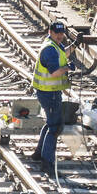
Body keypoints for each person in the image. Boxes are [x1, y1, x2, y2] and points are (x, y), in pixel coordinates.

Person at [31, 20, 72, 171]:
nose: (60, 36)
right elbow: (54, 72)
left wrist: (75, 45)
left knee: (50, 123)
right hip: (49, 93)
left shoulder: (53, 44)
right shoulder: (49, 49)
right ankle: (47, 162)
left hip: (50, 91)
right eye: (57, 33)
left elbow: (62, 54)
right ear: (50, 32)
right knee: (55, 127)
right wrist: (68, 68)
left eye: (62, 33)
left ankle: (38, 153)